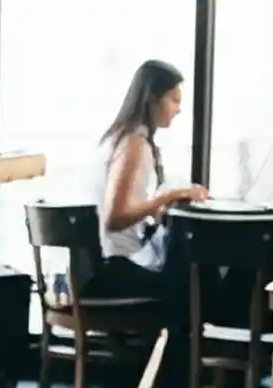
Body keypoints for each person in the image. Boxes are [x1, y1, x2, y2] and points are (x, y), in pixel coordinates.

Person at [89, 59, 208, 299]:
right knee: (197, 274)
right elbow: (115, 218)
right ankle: (189, 335)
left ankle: (186, 335)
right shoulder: (133, 144)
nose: (178, 109)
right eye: (174, 100)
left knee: (193, 269)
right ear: (152, 99)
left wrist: (160, 204)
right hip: (117, 269)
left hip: (106, 265)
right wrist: (168, 197)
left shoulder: (118, 139)